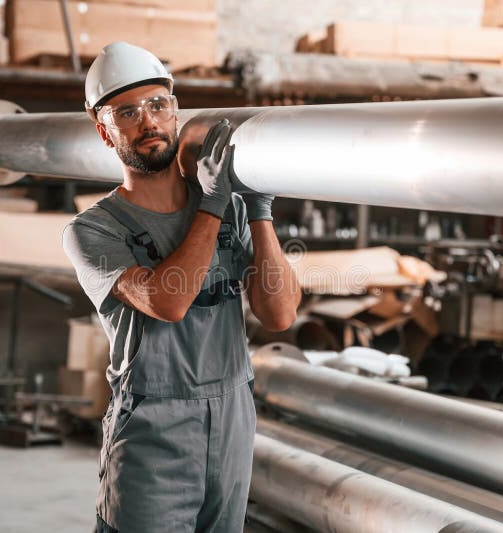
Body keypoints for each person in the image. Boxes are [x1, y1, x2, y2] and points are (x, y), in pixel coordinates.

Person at [62, 41, 300, 532]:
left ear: (176, 113)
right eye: (126, 112)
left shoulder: (228, 207)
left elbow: (279, 316)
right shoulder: (93, 230)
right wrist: (213, 204)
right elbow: (167, 302)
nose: (148, 121)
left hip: (233, 415)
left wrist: (258, 210)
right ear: (105, 133)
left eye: (158, 105)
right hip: (153, 425)